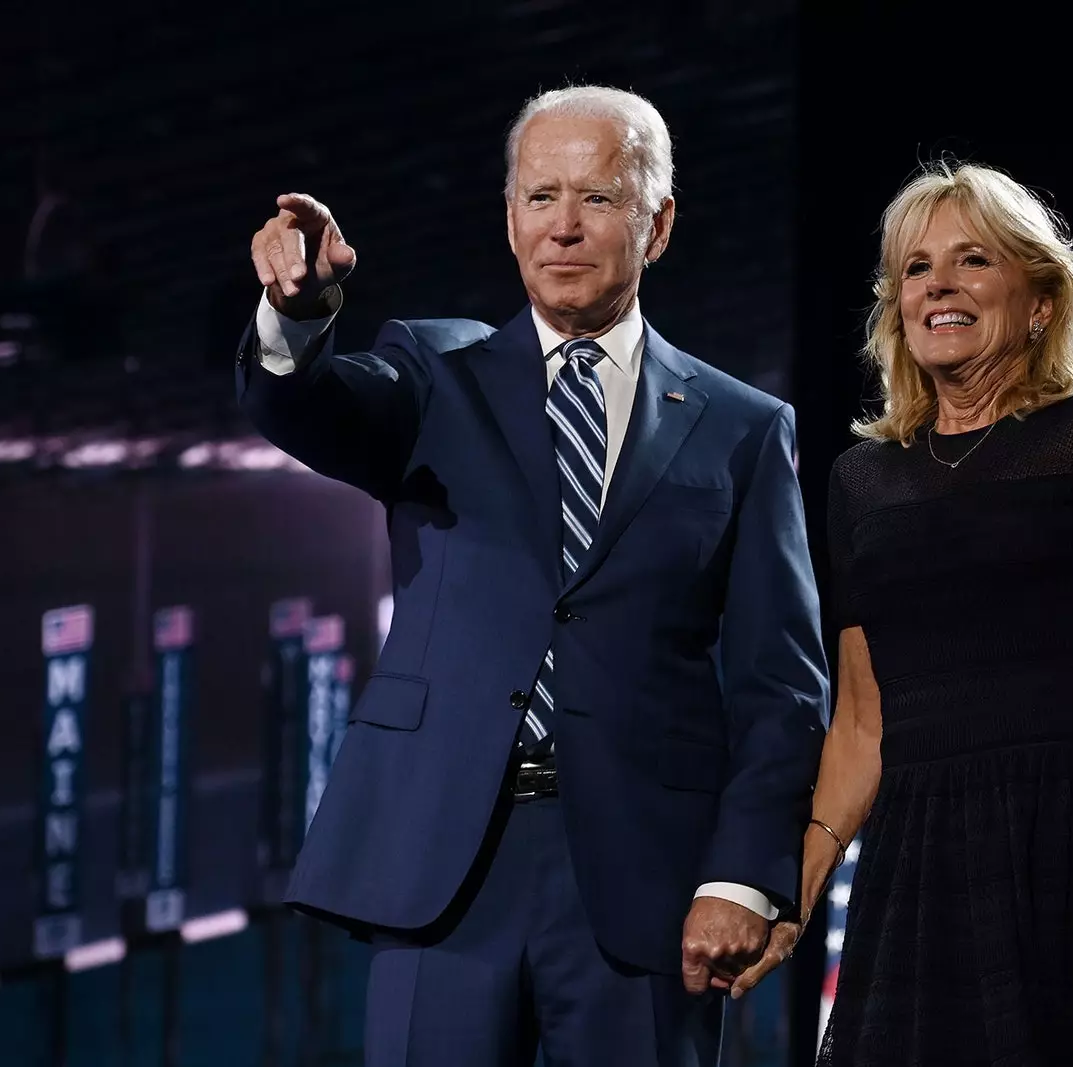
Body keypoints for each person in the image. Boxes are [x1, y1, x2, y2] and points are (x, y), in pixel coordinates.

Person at [237, 85, 829, 1067]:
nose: (563, 226)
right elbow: (311, 408)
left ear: (658, 222)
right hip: (445, 860)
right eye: (539, 196)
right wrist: (297, 317)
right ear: (509, 217)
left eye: (597, 198)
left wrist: (744, 875)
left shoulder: (742, 426)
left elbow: (782, 685)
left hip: (644, 878)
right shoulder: (432, 372)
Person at [731, 163, 1073, 1062]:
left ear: (1038, 301)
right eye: (917, 268)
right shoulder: (862, 481)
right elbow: (861, 721)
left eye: (973, 261)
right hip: (925, 865)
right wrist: (790, 894)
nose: (940, 284)